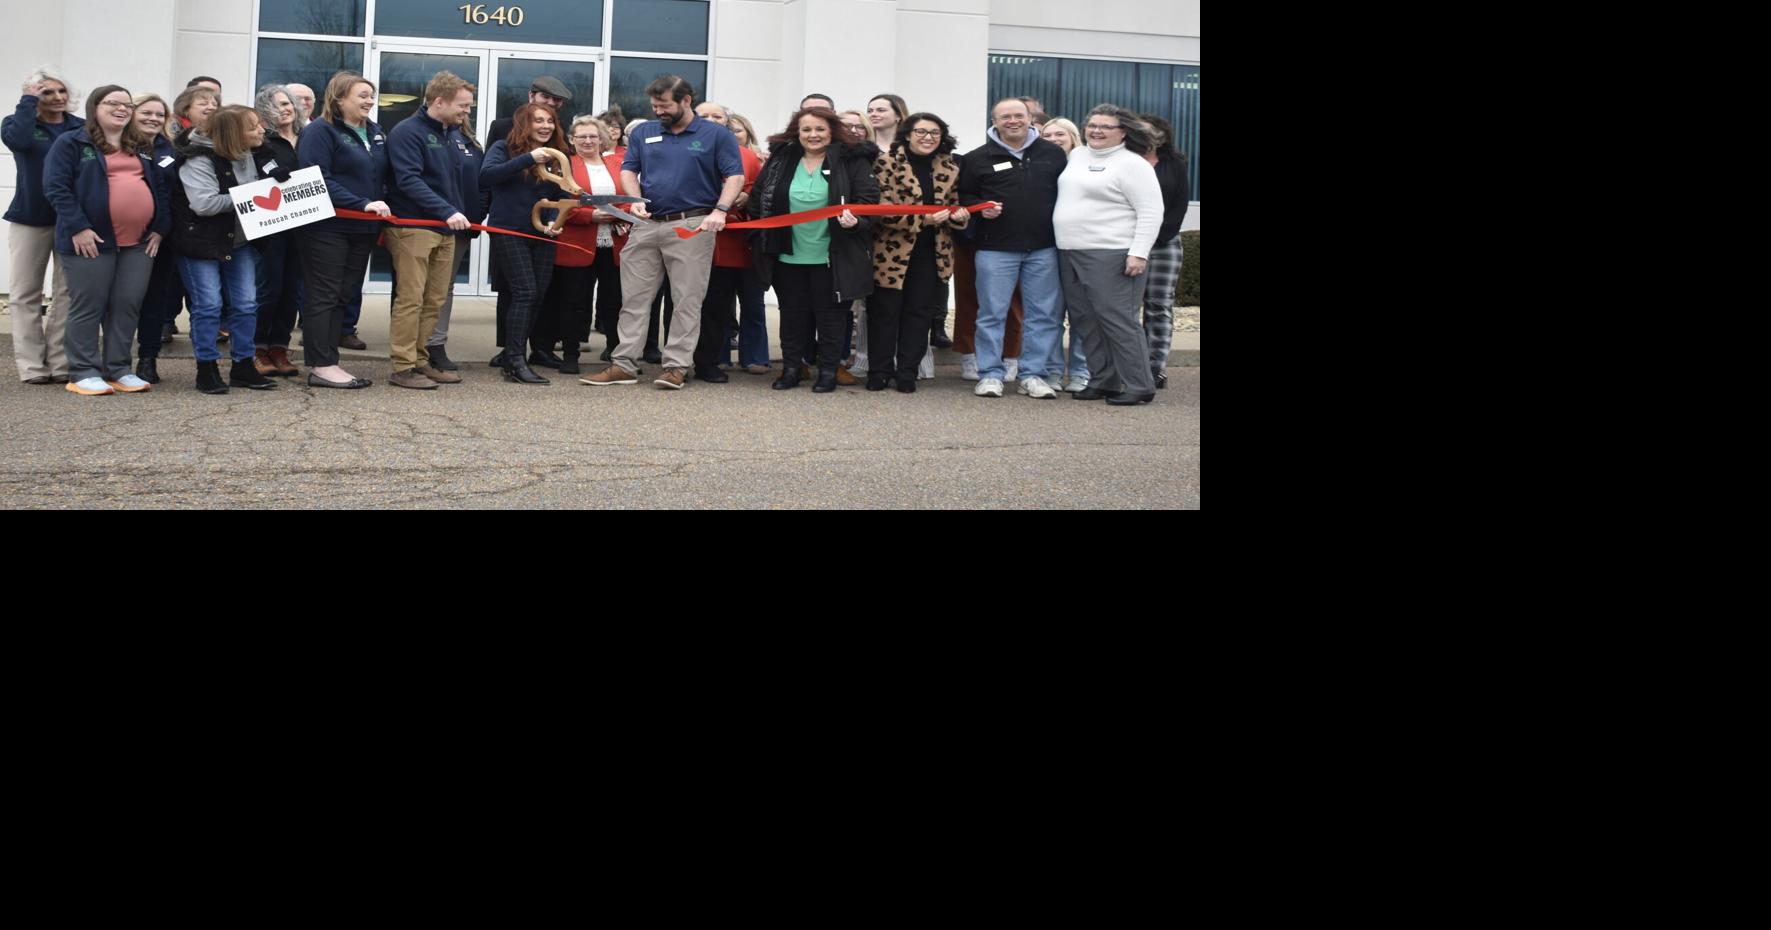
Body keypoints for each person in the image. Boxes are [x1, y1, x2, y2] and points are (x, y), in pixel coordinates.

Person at [582, 75, 744, 391]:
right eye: (655, 105)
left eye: (665, 105)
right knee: (634, 299)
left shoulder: (716, 135)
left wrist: (720, 211)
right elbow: (629, 169)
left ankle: (676, 367)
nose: (659, 111)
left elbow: (734, 176)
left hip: (691, 225)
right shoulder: (645, 131)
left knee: (686, 300)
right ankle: (623, 364)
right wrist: (634, 202)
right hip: (645, 224)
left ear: (686, 101)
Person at [42, 83, 169, 395]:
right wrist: (78, 227)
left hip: (139, 242)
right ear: (95, 107)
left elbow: (160, 189)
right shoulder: (72, 142)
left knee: (127, 304)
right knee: (89, 304)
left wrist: (160, 226)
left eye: (127, 104)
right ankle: (83, 371)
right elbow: (56, 187)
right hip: (91, 239)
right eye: (113, 103)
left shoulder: (139, 145)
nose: (122, 108)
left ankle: (118, 368)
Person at [749, 106, 879, 393]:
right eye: (806, 129)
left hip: (833, 254)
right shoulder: (782, 158)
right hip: (787, 253)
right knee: (792, 315)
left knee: (831, 317)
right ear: (797, 132)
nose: (813, 135)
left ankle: (829, 371)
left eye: (820, 129)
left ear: (832, 130)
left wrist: (856, 221)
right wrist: (761, 231)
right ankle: (793, 368)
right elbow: (760, 196)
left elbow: (869, 202)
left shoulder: (851, 160)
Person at [957, 97, 1068, 400]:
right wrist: (980, 209)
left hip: (1043, 248)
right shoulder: (977, 158)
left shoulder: (1053, 154)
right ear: (994, 121)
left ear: (1030, 117)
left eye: (1018, 115)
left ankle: (1032, 375)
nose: (1012, 121)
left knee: (1042, 315)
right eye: (1005, 117)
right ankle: (991, 374)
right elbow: (964, 196)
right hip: (995, 249)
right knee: (992, 313)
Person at [1054, 105, 1164, 406]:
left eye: (1105, 126)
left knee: (1118, 320)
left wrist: (1139, 253)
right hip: (1070, 251)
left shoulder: (1133, 164)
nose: (1096, 130)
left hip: (1112, 253)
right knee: (1085, 320)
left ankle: (1140, 384)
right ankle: (1104, 380)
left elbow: (1151, 211)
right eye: (1092, 124)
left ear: (1123, 132)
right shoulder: (1078, 155)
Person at [170, 104, 279, 394]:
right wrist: (253, 196)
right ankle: (207, 368)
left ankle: (243, 365)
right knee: (208, 306)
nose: (261, 130)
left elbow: (253, 189)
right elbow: (203, 204)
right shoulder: (198, 159)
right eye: (254, 126)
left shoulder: (248, 154)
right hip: (200, 244)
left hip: (238, 242)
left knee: (246, 304)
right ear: (234, 133)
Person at [296, 71, 390, 389]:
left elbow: (381, 176)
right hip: (328, 227)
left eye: (370, 95)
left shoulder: (374, 131)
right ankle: (321, 364)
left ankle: (330, 359)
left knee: (343, 294)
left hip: (362, 228)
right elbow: (317, 177)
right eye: (361, 95)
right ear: (339, 99)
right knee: (324, 294)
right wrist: (361, 202)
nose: (369, 101)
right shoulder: (321, 131)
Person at [384, 70, 475, 389]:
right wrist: (447, 210)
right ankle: (402, 366)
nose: (467, 111)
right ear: (439, 101)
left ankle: (421, 360)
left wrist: (456, 214)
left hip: (445, 229)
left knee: (434, 298)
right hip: (414, 227)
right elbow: (409, 180)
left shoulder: (450, 133)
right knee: (411, 297)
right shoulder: (408, 132)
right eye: (463, 106)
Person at [868, 112, 967, 393]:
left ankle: (907, 372)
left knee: (919, 314)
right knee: (884, 314)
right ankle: (879, 370)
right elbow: (879, 209)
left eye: (934, 133)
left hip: (932, 253)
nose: (928, 138)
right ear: (908, 134)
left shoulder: (950, 167)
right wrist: (921, 220)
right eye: (922, 132)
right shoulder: (885, 163)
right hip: (890, 253)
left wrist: (959, 216)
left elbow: (955, 205)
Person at [5, 67, 82, 384]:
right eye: (47, 92)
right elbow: (18, 140)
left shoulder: (81, 128)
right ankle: (32, 366)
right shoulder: (19, 125)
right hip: (30, 218)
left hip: (72, 220)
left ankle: (60, 362)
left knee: (67, 292)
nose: (57, 97)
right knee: (25, 294)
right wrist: (27, 101)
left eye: (61, 91)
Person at [480, 102, 565, 384]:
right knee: (524, 292)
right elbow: (487, 176)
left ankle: (511, 354)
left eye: (550, 121)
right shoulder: (504, 148)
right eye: (538, 120)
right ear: (523, 124)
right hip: (510, 231)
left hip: (543, 234)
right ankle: (515, 360)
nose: (545, 126)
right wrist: (529, 158)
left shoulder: (558, 155)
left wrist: (554, 220)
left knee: (537, 294)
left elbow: (556, 195)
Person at [543, 115, 627, 375]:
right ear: (571, 140)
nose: (588, 141)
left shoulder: (618, 164)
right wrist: (589, 216)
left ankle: (616, 353)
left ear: (602, 139)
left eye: (593, 136)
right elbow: (558, 205)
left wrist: (620, 213)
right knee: (574, 301)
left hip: (614, 242)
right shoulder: (563, 166)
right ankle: (570, 354)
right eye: (582, 137)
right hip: (577, 242)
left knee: (615, 301)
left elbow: (627, 196)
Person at [694, 102, 764, 383]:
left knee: (720, 304)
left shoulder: (748, 156)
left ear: (727, 121)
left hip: (734, 241)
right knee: (689, 305)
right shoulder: (687, 150)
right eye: (704, 116)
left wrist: (749, 198)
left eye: (717, 116)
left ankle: (711, 361)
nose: (711, 120)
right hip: (693, 237)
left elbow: (761, 192)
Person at [248, 84, 305, 379]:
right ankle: (257, 347)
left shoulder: (307, 137)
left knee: (292, 291)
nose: (287, 108)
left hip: (304, 226)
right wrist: (270, 169)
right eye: (280, 104)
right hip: (271, 227)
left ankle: (280, 347)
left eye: (290, 103)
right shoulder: (261, 140)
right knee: (268, 288)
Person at [426, 112, 487, 372]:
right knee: (420, 287)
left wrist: (478, 211)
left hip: (462, 226)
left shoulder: (472, 143)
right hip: (430, 223)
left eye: (466, 108)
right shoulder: (427, 137)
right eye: (459, 106)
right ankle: (416, 345)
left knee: (445, 286)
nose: (463, 112)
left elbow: (482, 184)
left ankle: (436, 344)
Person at [1032, 116, 1088, 391]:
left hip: (1081, 247)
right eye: (1047, 136)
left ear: (1073, 138)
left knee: (1082, 314)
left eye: (1060, 135)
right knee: (1049, 314)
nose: (1054, 140)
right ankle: (1052, 370)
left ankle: (1081, 371)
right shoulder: (1038, 164)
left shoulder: (1085, 164)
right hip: (1046, 247)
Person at [127, 92, 180, 384]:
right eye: (146, 112)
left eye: (159, 114)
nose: (153, 119)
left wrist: (161, 229)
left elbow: (172, 195)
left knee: (154, 301)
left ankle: (148, 359)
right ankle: (117, 359)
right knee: (121, 301)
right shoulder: (119, 146)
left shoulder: (170, 149)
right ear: (133, 114)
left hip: (161, 238)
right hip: (124, 236)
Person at [1137, 113, 1191, 390]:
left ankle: (1155, 367)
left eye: (1153, 132)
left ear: (1163, 136)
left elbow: (1179, 206)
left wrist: (1153, 238)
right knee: (1126, 308)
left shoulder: (1174, 165)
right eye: (1141, 131)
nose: (1148, 136)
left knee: (1159, 306)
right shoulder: (1126, 162)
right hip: (1127, 243)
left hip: (1164, 243)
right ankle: (1130, 366)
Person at [727, 110, 772, 373]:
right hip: (721, 238)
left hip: (752, 241)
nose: (732, 136)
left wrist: (748, 194)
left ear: (748, 133)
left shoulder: (763, 161)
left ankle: (755, 356)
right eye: (727, 131)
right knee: (720, 303)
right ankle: (719, 354)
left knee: (752, 301)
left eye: (737, 130)